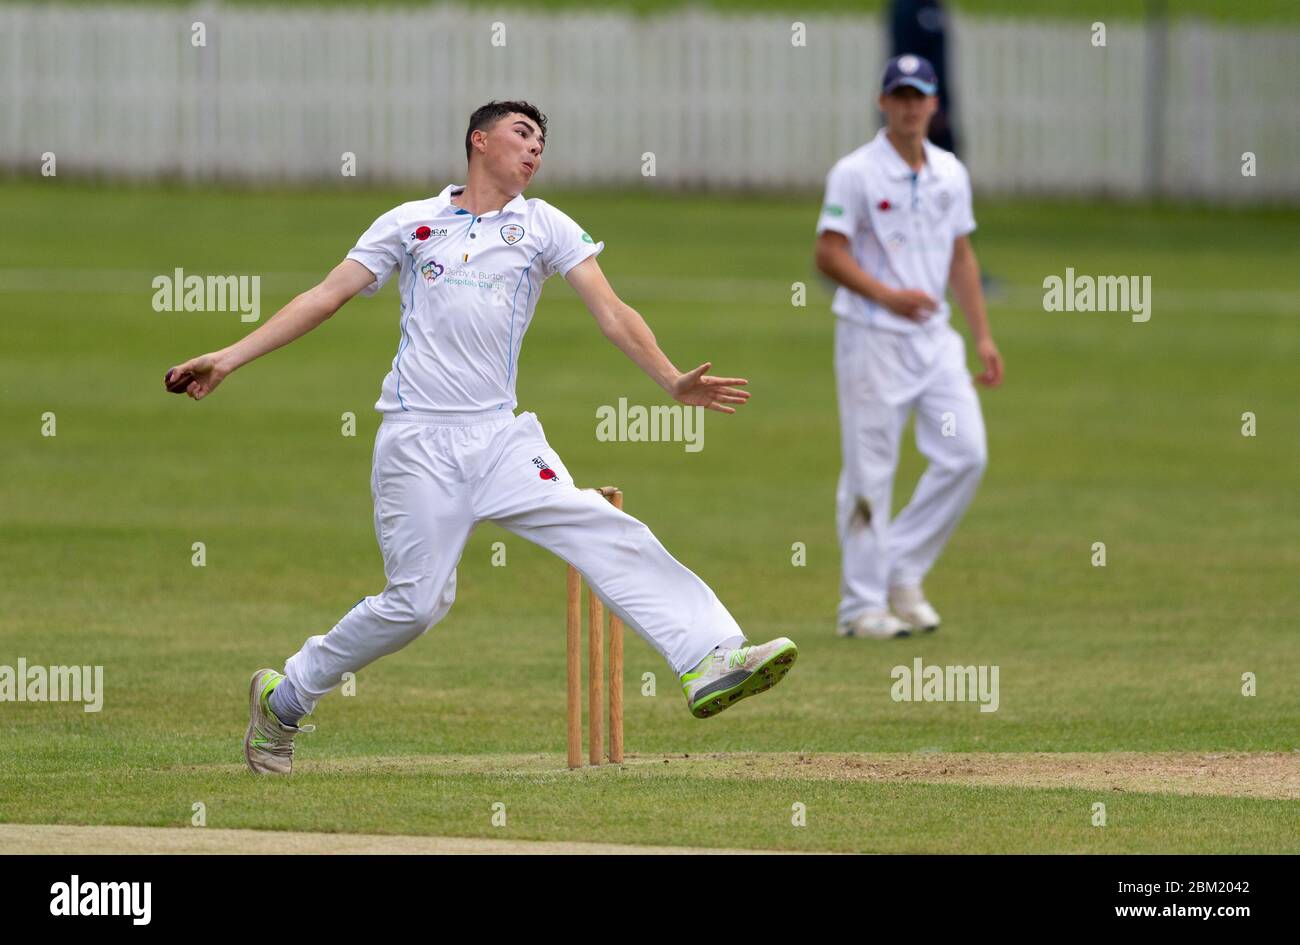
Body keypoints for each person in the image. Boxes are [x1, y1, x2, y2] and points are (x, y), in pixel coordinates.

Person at [165, 101, 798, 774]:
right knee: (415, 604)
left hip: (500, 438)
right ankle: (285, 698)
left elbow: (611, 310)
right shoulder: (411, 223)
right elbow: (326, 295)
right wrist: (230, 356)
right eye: (522, 135)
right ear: (479, 140)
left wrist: (671, 379)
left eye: (542, 143)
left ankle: (710, 656)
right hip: (417, 441)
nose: (534, 151)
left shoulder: (542, 224)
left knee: (600, 522)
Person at [813, 57, 1003, 640]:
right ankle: (862, 607)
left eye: (919, 95)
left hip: (935, 341)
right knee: (871, 471)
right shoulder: (856, 172)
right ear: (883, 101)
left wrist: (983, 336)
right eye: (899, 95)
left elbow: (962, 257)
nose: (910, 106)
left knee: (966, 454)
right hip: (871, 340)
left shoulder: (950, 172)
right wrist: (887, 296)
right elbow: (828, 253)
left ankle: (902, 569)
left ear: (934, 103)